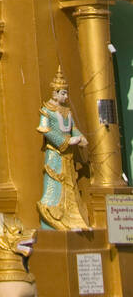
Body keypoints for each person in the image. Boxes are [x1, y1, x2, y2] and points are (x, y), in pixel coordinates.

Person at [37, 65, 91, 231]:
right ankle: (53, 214)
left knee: (71, 187)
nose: (66, 96)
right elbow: (43, 129)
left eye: (66, 93)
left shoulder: (67, 111)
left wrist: (80, 137)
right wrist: (66, 141)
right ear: (55, 93)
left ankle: (72, 218)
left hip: (68, 156)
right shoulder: (47, 111)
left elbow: (73, 128)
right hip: (55, 155)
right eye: (63, 93)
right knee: (56, 187)